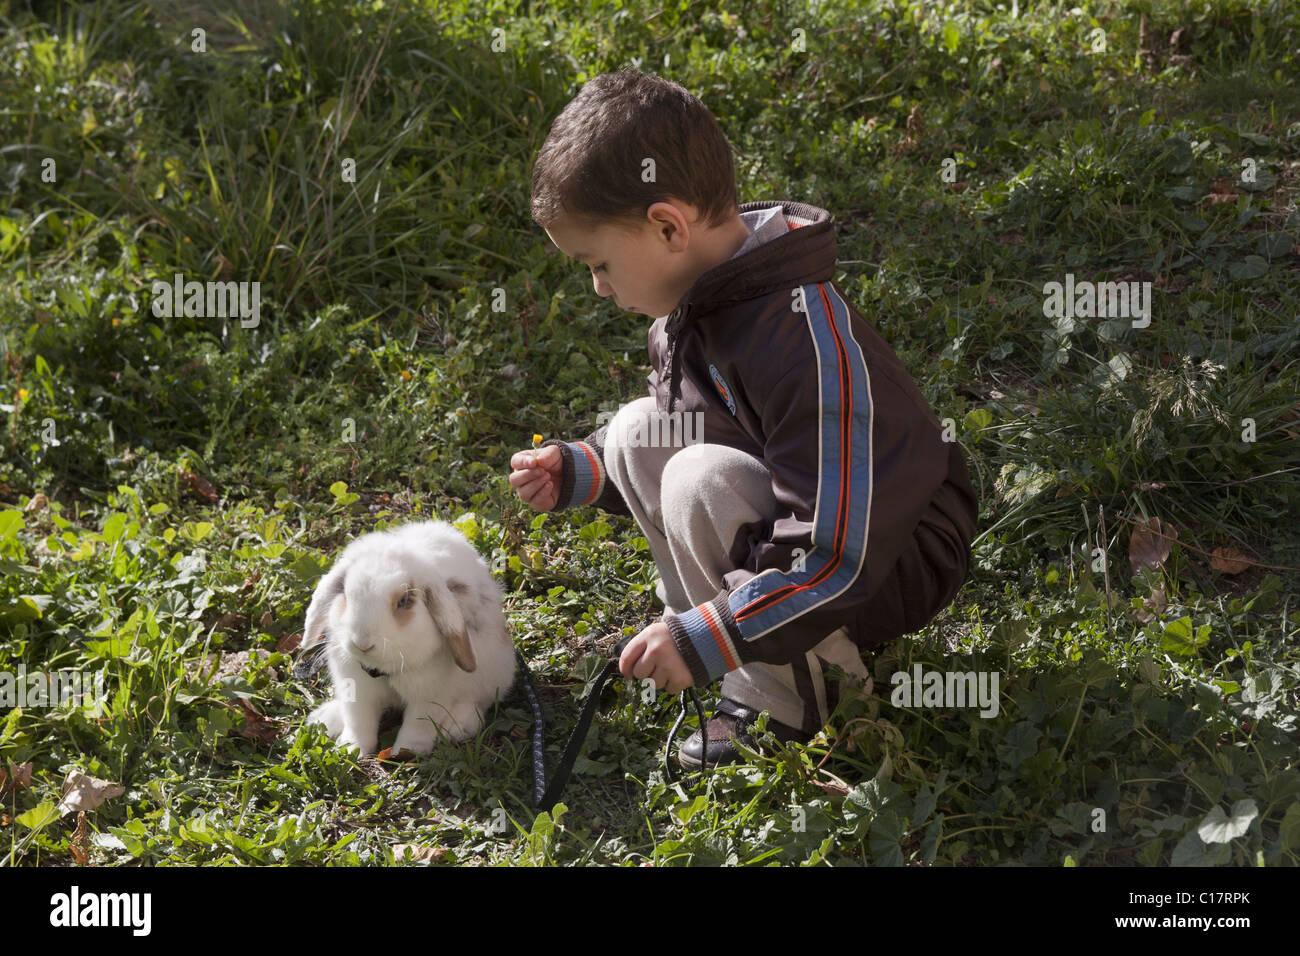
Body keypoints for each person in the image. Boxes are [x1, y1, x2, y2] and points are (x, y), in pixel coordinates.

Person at [509, 69, 978, 768]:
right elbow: (688, 421)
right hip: (810, 547)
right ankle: (710, 637)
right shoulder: (694, 308)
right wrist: (590, 467)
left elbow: (836, 545)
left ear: (668, 226)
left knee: (700, 477)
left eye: (598, 263)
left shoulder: (803, 337)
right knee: (642, 427)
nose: (598, 287)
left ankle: (796, 690)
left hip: (885, 560)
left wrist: (722, 628)